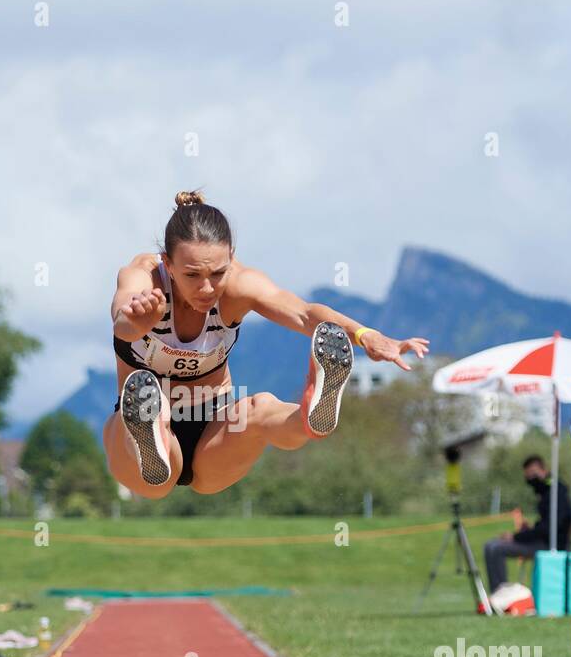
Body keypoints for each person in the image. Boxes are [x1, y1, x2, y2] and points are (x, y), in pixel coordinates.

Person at [107, 191, 431, 496]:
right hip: (142, 423)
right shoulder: (144, 279)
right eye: (192, 275)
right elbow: (122, 319)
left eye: (218, 273)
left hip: (213, 423)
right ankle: (153, 433)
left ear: (231, 259)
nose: (207, 288)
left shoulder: (239, 285)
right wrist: (135, 322)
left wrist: (365, 335)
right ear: (167, 262)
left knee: (259, 409)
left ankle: (308, 417)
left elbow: (303, 314)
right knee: (158, 475)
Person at [483, 455, 571, 595]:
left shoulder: (556, 492)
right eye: (528, 476)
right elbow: (544, 525)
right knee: (491, 545)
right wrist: (529, 530)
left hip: (551, 545)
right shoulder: (546, 491)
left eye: (534, 474)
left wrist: (516, 537)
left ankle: (501, 596)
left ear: (544, 470)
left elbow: (549, 528)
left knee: (495, 548)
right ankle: (498, 593)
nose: (531, 479)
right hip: (541, 540)